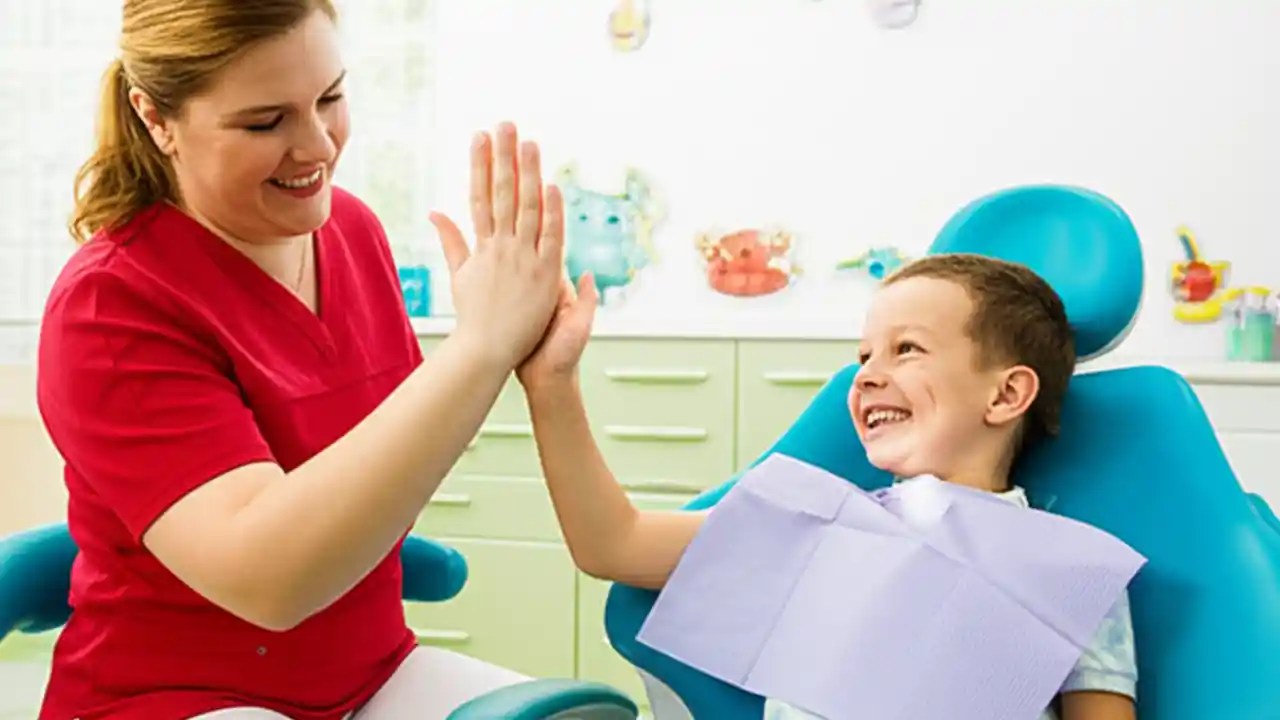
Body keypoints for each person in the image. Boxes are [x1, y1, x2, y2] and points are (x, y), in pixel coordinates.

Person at [36, 2, 567, 718]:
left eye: (330, 98)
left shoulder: (351, 229)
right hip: (175, 699)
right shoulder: (112, 305)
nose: (318, 145)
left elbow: (401, 446)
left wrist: (531, 357)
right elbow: (270, 583)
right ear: (156, 118)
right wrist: (478, 349)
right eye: (265, 122)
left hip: (370, 674)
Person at [515, 253, 1139, 720]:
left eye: (907, 350)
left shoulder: (1073, 572)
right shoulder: (817, 526)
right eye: (864, 356)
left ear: (1006, 394)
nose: (868, 375)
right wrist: (552, 384)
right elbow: (613, 545)